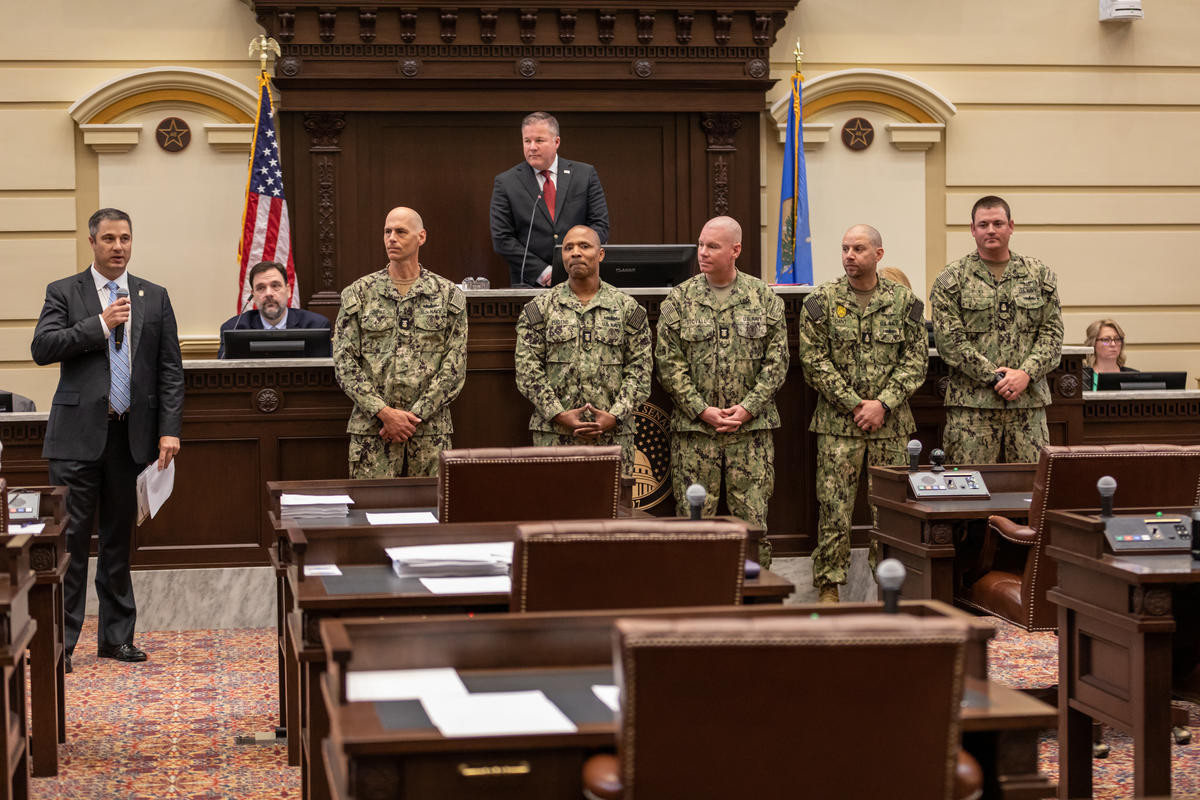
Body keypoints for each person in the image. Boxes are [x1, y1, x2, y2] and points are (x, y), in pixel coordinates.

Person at [30, 208, 184, 671]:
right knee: (72, 543)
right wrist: (99, 324)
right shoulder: (64, 291)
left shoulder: (153, 296)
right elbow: (43, 347)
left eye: (126, 239)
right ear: (93, 242)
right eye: (110, 239)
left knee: (118, 541)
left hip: (131, 437)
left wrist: (170, 429)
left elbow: (170, 370)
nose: (119, 247)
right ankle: (63, 643)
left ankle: (117, 639)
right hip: (76, 438)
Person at [798, 226, 928, 602]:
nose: (849, 255)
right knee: (833, 506)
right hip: (839, 425)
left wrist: (881, 404)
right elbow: (813, 362)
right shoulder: (821, 301)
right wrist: (856, 405)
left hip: (890, 425)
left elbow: (915, 362)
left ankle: (888, 584)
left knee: (889, 511)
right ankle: (828, 586)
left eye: (858, 248)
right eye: (844, 249)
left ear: (879, 254)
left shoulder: (905, 303)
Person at [655, 216, 788, 565]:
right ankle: (698, 601)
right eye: (701, 244)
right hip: (695, 433)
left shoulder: (763, 298)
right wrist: (701, 409)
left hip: (751, 434)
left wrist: (747, 409)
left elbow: (777, 363)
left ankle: (758, 604)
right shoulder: (679, 300)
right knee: (694, 527)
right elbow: (669, 365)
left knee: (753, 526)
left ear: (735, 250)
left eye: (712, 246)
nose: (703, 252)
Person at [333, 207, 467, 478]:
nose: (391, 238)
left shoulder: (447, 295)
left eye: (400, 232)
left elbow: (455, 367)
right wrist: (385, 413)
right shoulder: (359, 294)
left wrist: (412, 418)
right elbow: (344, 363)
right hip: (373, 430)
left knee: (434, 513)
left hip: (430, 432)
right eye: (387, 231)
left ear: (421, 237)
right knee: (372, 514)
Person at [931, 195, 1063, 464]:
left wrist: (1025, 373)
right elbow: (950, 342)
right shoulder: (952, 279)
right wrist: (995, 378)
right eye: (983, 224)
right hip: (972, 409)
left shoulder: (1038, 275)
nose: (991, 230)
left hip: (1028, 405)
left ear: (1011, 226)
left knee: (1030, 491)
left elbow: (1052, 334)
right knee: (970, 492)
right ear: (972, 229)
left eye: (998, 223)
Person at [514, 225, 651, 475]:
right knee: (553, 510)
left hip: (614, 436)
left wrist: (614, 415)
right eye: (568, 248)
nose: (575, 253)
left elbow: (640, 372)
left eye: (584, 246)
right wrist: (558, 413)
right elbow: (527, 371)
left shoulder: (627, 309)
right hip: (554, 435)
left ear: (600, 255)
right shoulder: (540, 308)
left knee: (613, 511)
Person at [490, 112, 610, 288]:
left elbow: (600, 225)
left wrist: (571, 265)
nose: (532, 147)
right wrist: (543, 271)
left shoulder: (584, 175)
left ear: (557, 142)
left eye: (539, 141)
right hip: (532, 284)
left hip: (581, 280)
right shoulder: (506, 182)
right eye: (527, 141)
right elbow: (502, 238)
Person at [217, 260, 329, 358]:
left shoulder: (315, 326)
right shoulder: (234, 329)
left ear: (288, 291)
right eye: (261, 288)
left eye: (275, 286)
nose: (268, 293)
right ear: (253, 295)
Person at [1082, 318, 1137, 390]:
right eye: (1106, 340)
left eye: (1117, 339)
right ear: (1093, 343)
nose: (1113, 344)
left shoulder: (1133, 376)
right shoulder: (1081, 377)